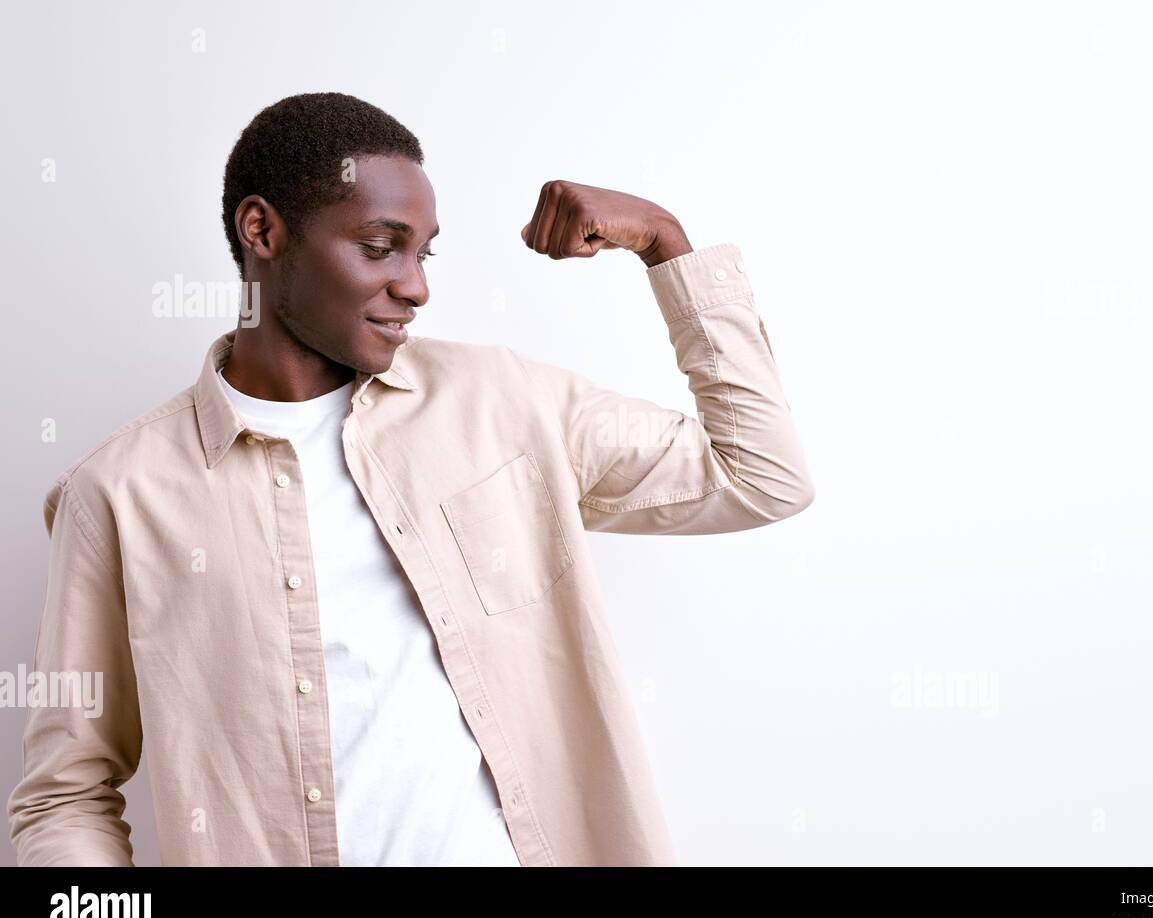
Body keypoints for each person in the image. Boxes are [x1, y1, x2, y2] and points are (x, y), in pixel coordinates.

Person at [7, 92, 814, 866]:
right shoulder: (119, 494)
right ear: (262, 230)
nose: (417, 285)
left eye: (422, 252)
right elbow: (66, 794)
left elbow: (761, 475)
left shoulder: (504, 404)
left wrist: (664, 243)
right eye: (378, 245)